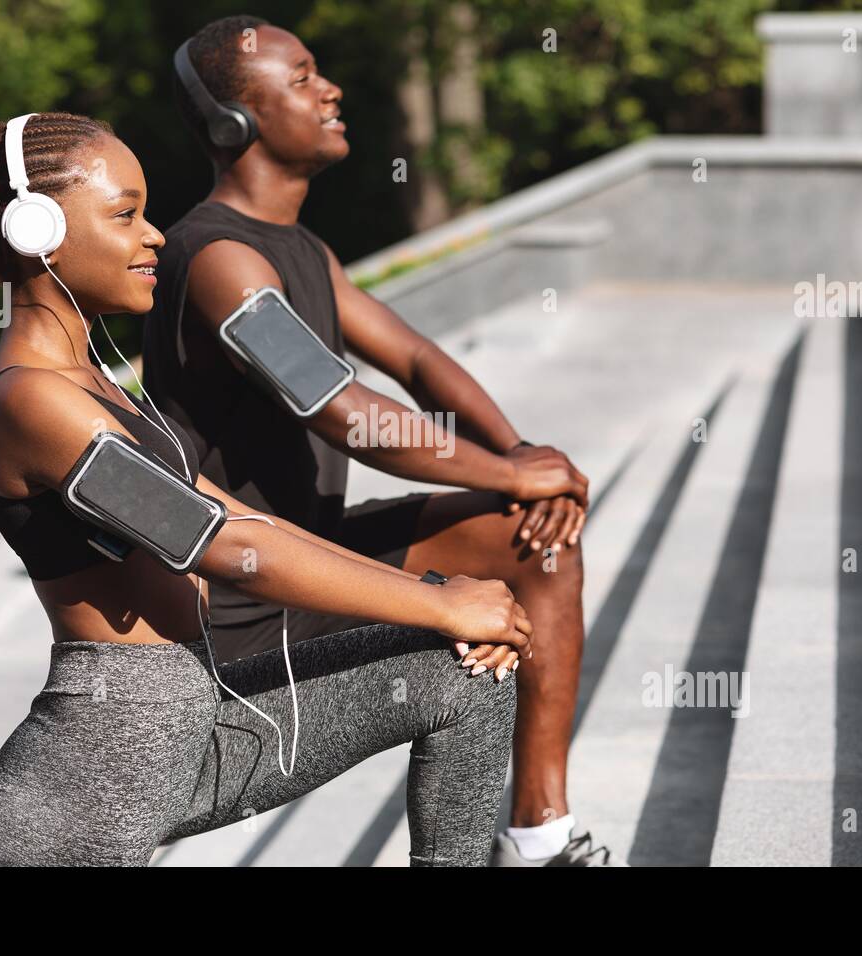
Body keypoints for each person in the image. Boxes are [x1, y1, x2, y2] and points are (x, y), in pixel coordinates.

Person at [0, 110, 529, 867]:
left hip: (207, 734)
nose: (154, 234)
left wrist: (441, 598)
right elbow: (219, 542)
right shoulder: (30, 403)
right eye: (125, 215)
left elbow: (239, 515)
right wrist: (437, 600)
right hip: (90, 784)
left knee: (461, 674)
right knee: (450, 632)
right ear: (37, 232)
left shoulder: (94, 381)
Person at [142, 16, 610, 866]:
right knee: (509, 537)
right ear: (231, 125)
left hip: (318, 560)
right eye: (304, 77)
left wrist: (523, 463)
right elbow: (338, 408)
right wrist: (513, 471)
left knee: (535, 544)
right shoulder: (216, 259)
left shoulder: (304, 249)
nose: (332, 91)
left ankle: (539, 842)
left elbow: (420, 360)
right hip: (243, 606)